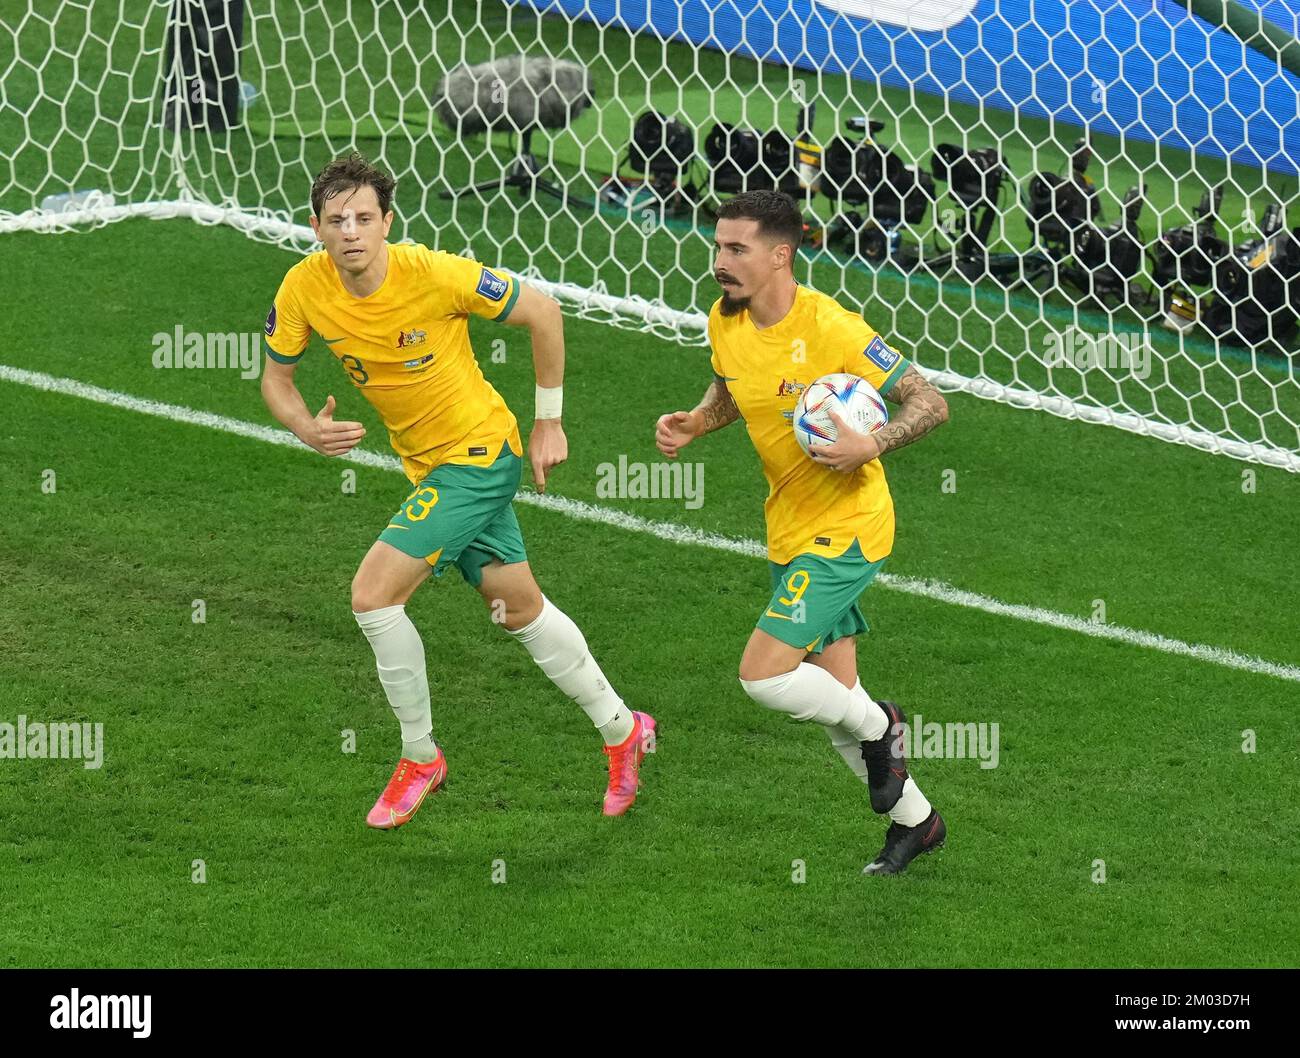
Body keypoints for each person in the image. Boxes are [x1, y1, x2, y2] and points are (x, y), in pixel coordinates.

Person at [261, 152, 654, 829]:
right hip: (427, 464)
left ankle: (421, 756)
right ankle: (623, 730)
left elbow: (543, 311)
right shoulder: (303, 287)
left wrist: (550, 421)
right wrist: (304, 426)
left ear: (388, 221)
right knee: (520, 608)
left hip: (479, 456)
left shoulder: (435, 274)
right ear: (316, 228)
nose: (350, 231)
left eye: (363, 217)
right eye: (335, 220)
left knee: (372, 595)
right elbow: (276, 377)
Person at [655, 190, 948, 874]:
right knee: (833, 704)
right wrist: (701, 420)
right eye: (718, 246)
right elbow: (733, 387)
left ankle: (887, 727)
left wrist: (871, 444)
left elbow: (930, 400)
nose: (719, 262)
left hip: (849, 526)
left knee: (764, 676)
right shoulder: (724, 322)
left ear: (781, 255)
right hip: (789, 527)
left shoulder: (835, 329)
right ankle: (918, 824)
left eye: (737, 249)